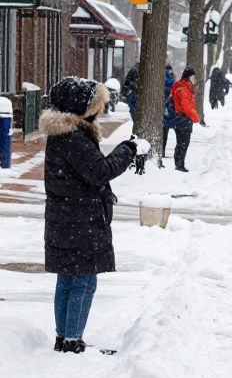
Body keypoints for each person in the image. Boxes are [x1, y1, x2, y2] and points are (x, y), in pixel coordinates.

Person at [40, 76, 140, 353]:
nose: (99, 110)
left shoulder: (62, 134)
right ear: (82, 107)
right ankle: (72, 340)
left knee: (67, 279)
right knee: (83, 280)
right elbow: (99, 172)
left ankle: (64, 337)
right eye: (96, 105)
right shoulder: (73, 136)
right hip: (79, 220)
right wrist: (127, 149)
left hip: (66, 218)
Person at [170, 67, 202, 172]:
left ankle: (179, 163)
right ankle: (179, 165)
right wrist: (196, 118)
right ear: (188, 77)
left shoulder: (185, 87)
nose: (194, 78)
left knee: (182, 142)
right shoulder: (183, 89)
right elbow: (186, 107)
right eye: (193, 76)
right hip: (183, 119)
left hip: (183, 119)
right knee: (183, 143)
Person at [161, 64, 176, 160]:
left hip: (164, 112)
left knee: (164, 134)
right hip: (171, 110)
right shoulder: (172, 76)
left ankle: (162, 151)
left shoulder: (162, 76)